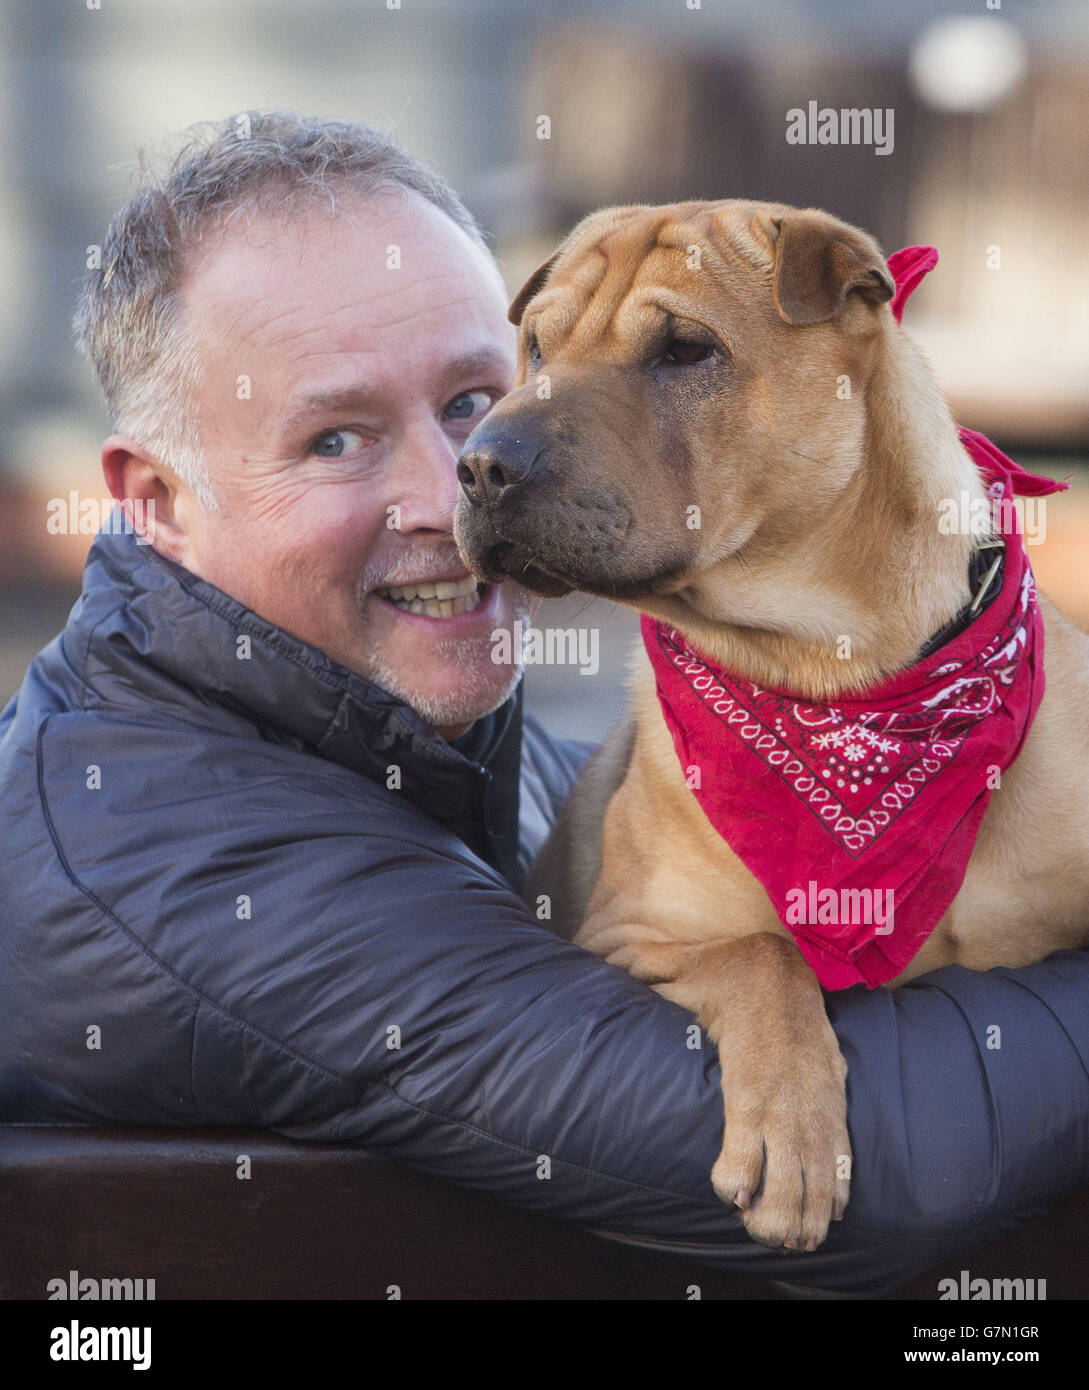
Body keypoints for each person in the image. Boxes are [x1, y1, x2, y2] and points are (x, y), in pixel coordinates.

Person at [0, 111, 1086, 1297]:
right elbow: (878, 1174)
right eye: (336, 439)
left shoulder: (426, 735)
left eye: (478, 399)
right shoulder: (185, 872)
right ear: (155, 499)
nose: (459, 484)